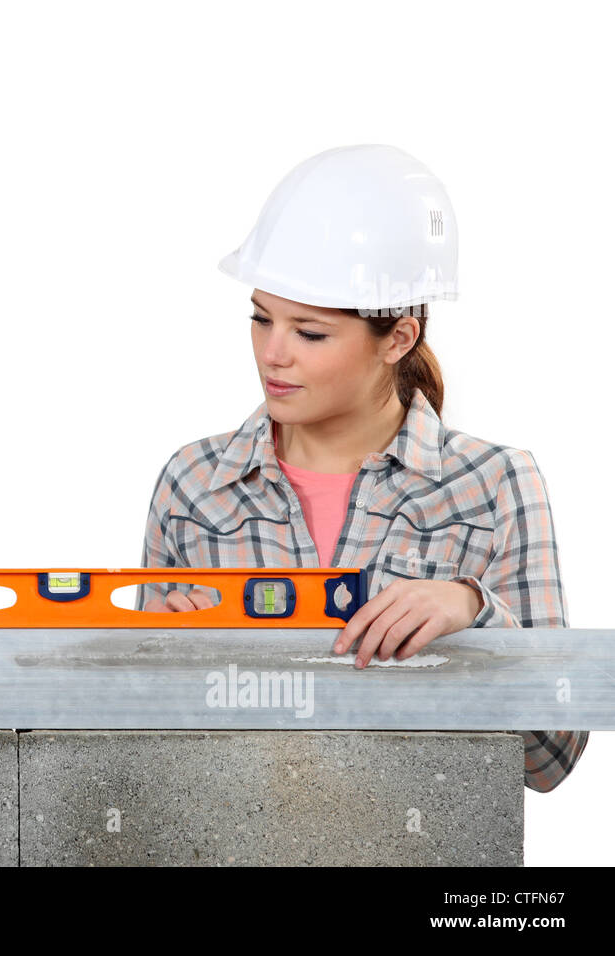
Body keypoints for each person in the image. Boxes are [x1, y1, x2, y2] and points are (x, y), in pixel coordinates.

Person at [138, 144, 585, 793]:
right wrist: (162, 671)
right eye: (261, 320)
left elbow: (552, 759)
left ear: (398, 339)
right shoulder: (194, 485)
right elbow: (143, 759)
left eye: (309, 333)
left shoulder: (493, 485)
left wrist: (473, 612)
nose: (273, 354)